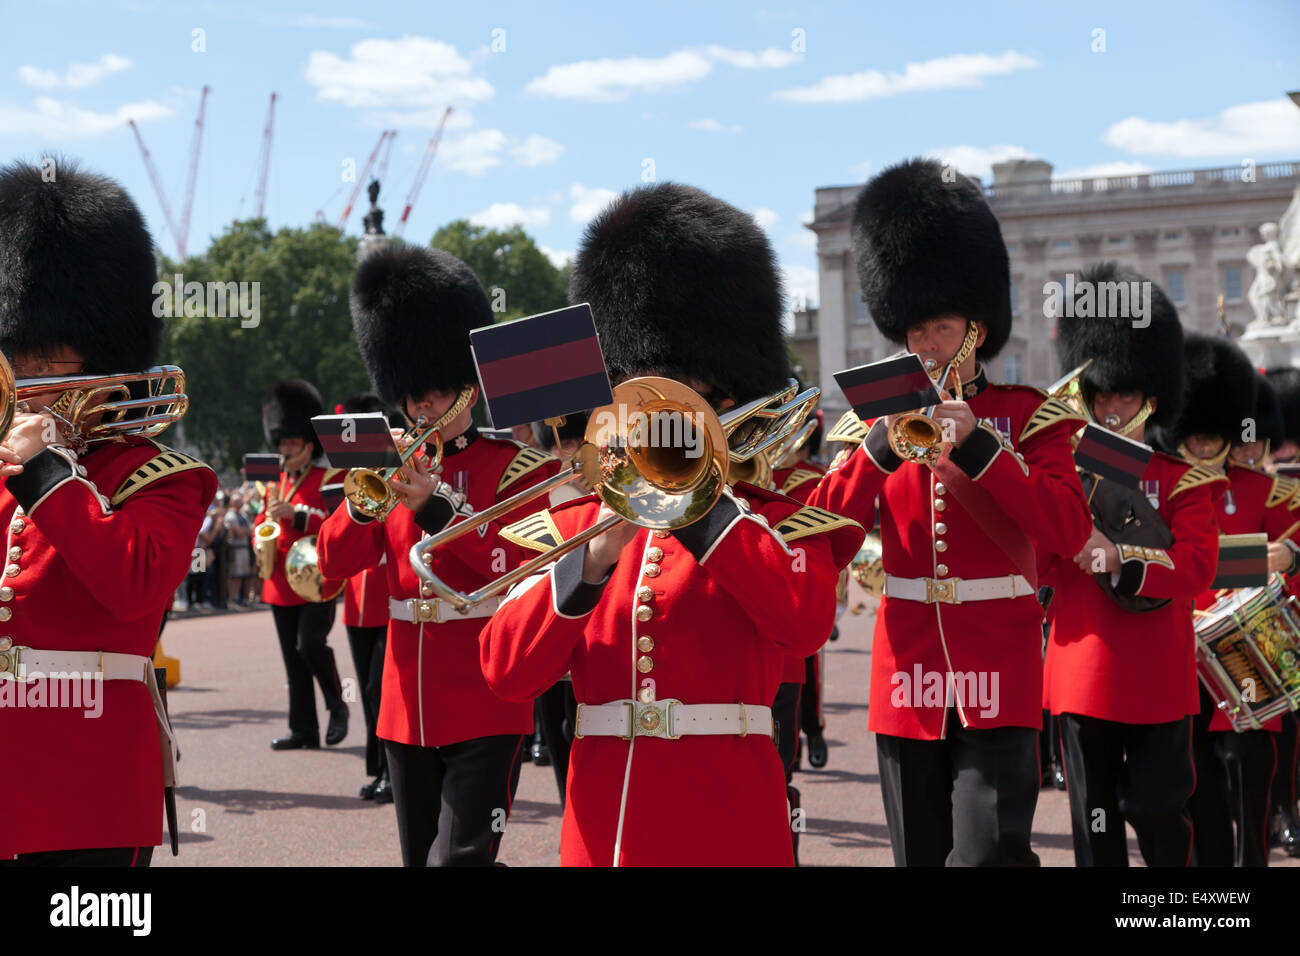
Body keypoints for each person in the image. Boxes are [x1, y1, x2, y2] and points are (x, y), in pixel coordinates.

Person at [479, 182, 864, 866]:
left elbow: (804, 624)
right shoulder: (579, 519)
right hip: (605, 826)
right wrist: (589, 563)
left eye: (678, 394)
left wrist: (698, 504)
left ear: (728, 399)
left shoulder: (777, 518)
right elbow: (506, 672)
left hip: (727, 823)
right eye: (640, 388)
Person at [807, 159, 1092, 866]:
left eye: (940, 326)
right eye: (916, 331)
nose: (927, 345)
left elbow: (1067, 529)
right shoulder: (873, 424)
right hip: (907, 674)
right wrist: (870, 456)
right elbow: (823, 542)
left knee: (989, 855)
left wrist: (986, 451)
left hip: (999, 664)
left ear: (976, 326)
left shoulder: (1031, 418)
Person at [317, 245, 563, 866]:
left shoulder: (515, 468)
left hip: (487, 698)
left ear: (467, 388)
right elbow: (331, 562)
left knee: (456, 862)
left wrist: (439, 511)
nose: (421, 408)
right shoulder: (390, 471)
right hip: (406, 702)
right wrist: (364, 502)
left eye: (432, 394)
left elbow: (523, 567)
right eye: (410, 396)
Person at [0, 160, 215, 865]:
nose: (24, 382)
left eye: (45, 361)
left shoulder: (164, 476)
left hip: (88, 779)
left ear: (102, 355)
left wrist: (48, 477)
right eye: (15, 358)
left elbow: (135, 589)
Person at [1043, 262, 1222, 867]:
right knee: (1094, 830)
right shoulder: (1062, 475)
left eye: (1126, 394)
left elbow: (1195, 566)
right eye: (1103, 394)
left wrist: (1122, 555)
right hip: (1083, 673)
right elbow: (1039, 561)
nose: (1114, 407)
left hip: (1155, 678)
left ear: (1152, 396)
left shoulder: (1183, 481)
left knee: (1157, 811)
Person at [1168, 348, 1298, 866]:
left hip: (1245, 650)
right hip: (1181, 653)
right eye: (1193, 436)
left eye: (1210, 436)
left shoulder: (1269, 491)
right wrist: (1251, 560)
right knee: (1195, 782)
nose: (1201, 446)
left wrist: (1289, 555)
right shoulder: (1161, 489)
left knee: (1251, 780)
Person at [261, 380, 349, 751]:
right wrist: (258, 536)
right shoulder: (273, 482)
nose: (286, 449)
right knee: (291, 658)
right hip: (280, 579)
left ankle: (336, 703)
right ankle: (303, 729)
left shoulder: (330, 479)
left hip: (315, 575)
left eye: (292, 443)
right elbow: (261, 521)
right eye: (282, 443)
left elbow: (335, 522)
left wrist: (296, 515)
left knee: (309, 643)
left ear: (308, 445)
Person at [337, 392, 397, 804]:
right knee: (367, 689)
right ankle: (377, 768)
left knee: (381, 689)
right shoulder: (351, 479)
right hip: (358, 604)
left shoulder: (395, 475)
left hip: (388, 599)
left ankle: (394, 772)